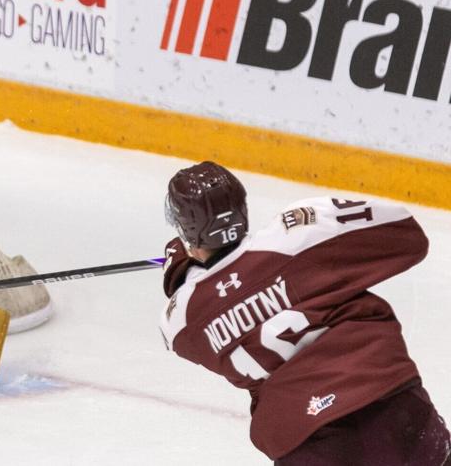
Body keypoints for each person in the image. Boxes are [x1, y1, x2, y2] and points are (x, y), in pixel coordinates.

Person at [160, 160, 450, 465]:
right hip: (387, 402)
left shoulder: (181, 319)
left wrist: (181, 272)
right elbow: (408, 237)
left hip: (308, 444)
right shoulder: (300, 234)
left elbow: (196, 316)